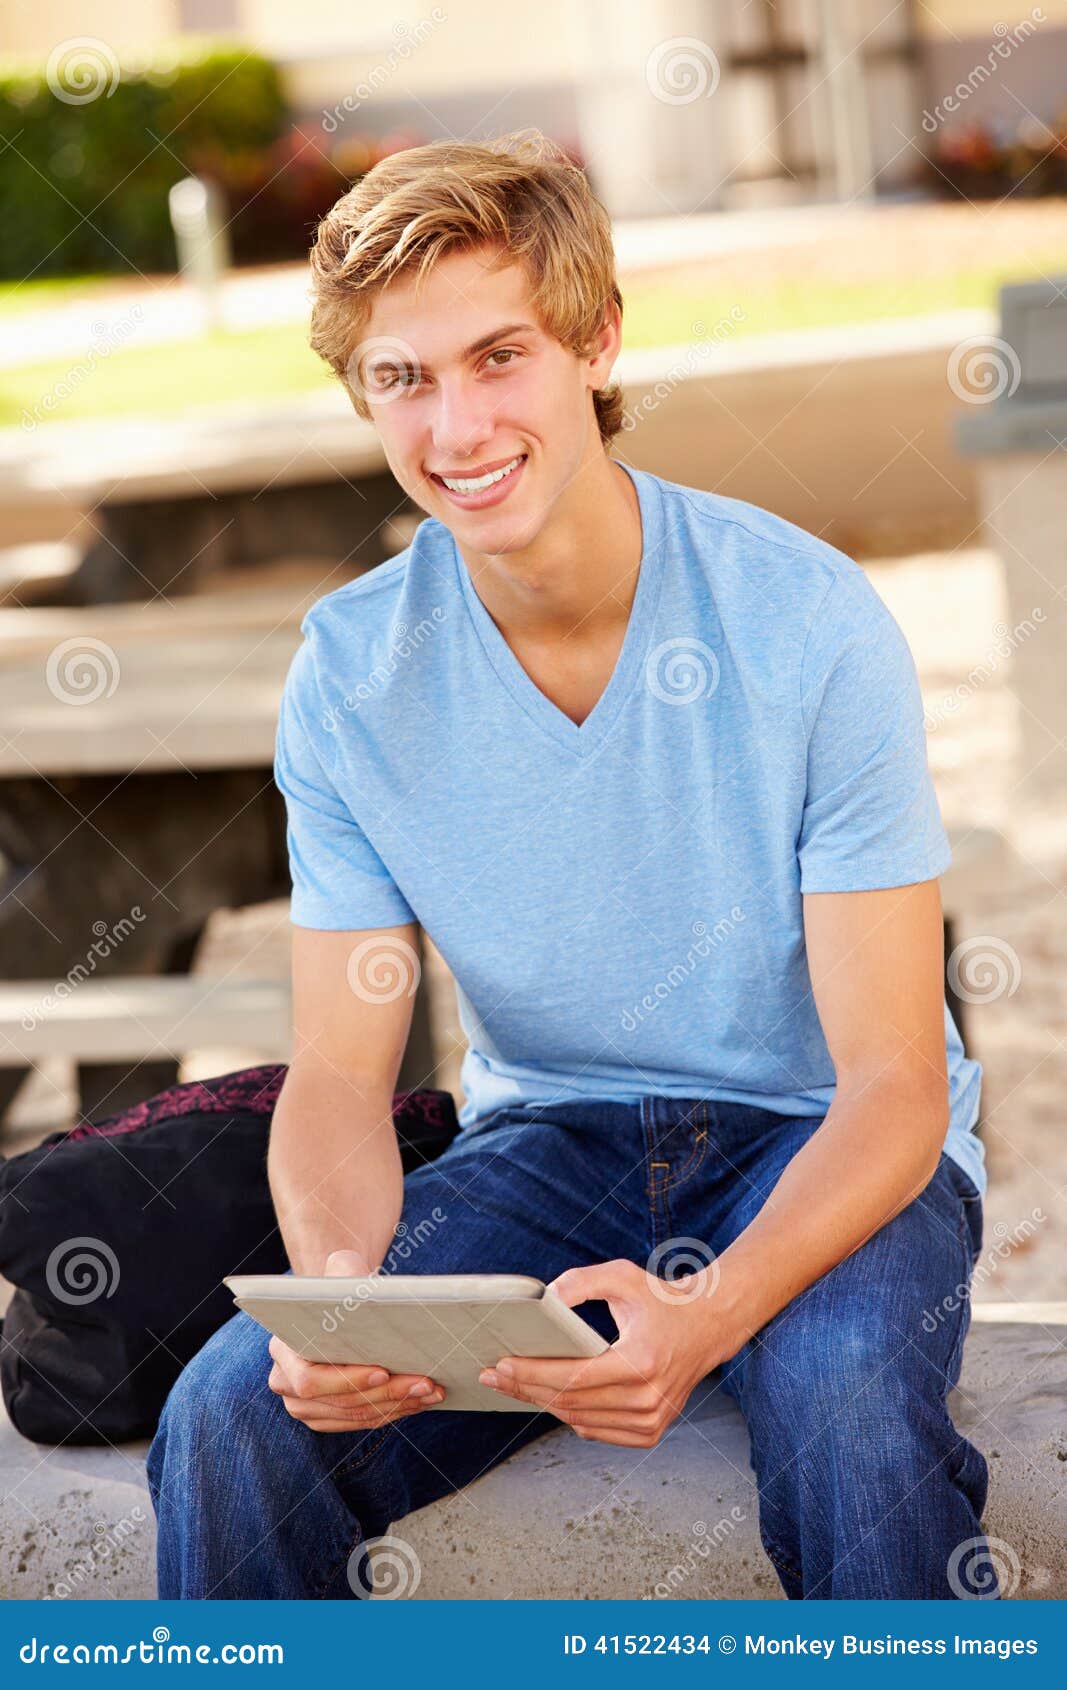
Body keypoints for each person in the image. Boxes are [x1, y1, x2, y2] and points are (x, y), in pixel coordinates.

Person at [146, 131, 989, 1601]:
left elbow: (896, 1090)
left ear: (598, 341)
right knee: (232, 1415)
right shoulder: (352, 671)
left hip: (821, 1136)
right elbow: (341, 1075)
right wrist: (346, 1301)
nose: (455, 425)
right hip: (559, 1139)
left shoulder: (807, 624)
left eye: (497, 356)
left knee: (850, 1402)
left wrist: (709, 1310)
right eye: (401, 379)